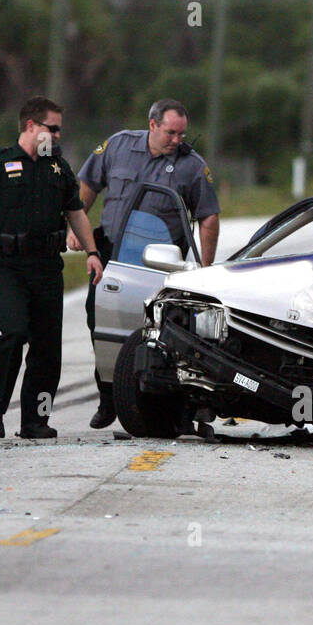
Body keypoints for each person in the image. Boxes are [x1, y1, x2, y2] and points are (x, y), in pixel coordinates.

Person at [0, 96, 103, 439]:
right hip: (8, 264)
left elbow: (76, 211)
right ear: (31, 126)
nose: (58, 135)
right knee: (14, 332)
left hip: (48, 265)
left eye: (60, 130)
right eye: (53, 128)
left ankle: (36, 419)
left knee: (48, 347)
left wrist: (92, 252)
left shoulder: (58, 167)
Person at [69, 98, 220, 428]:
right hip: (112, 254)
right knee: (101, 324)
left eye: (182, 134)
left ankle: (179, 404)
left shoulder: (192, 166)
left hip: (162, 262)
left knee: (165, 333)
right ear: (152, 125)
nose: (178, 140)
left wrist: (204, 272)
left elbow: (208, 217)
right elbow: (86, 186)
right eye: (171, 133)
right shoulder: (118, 146)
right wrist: (76, 228)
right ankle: (109, 397)